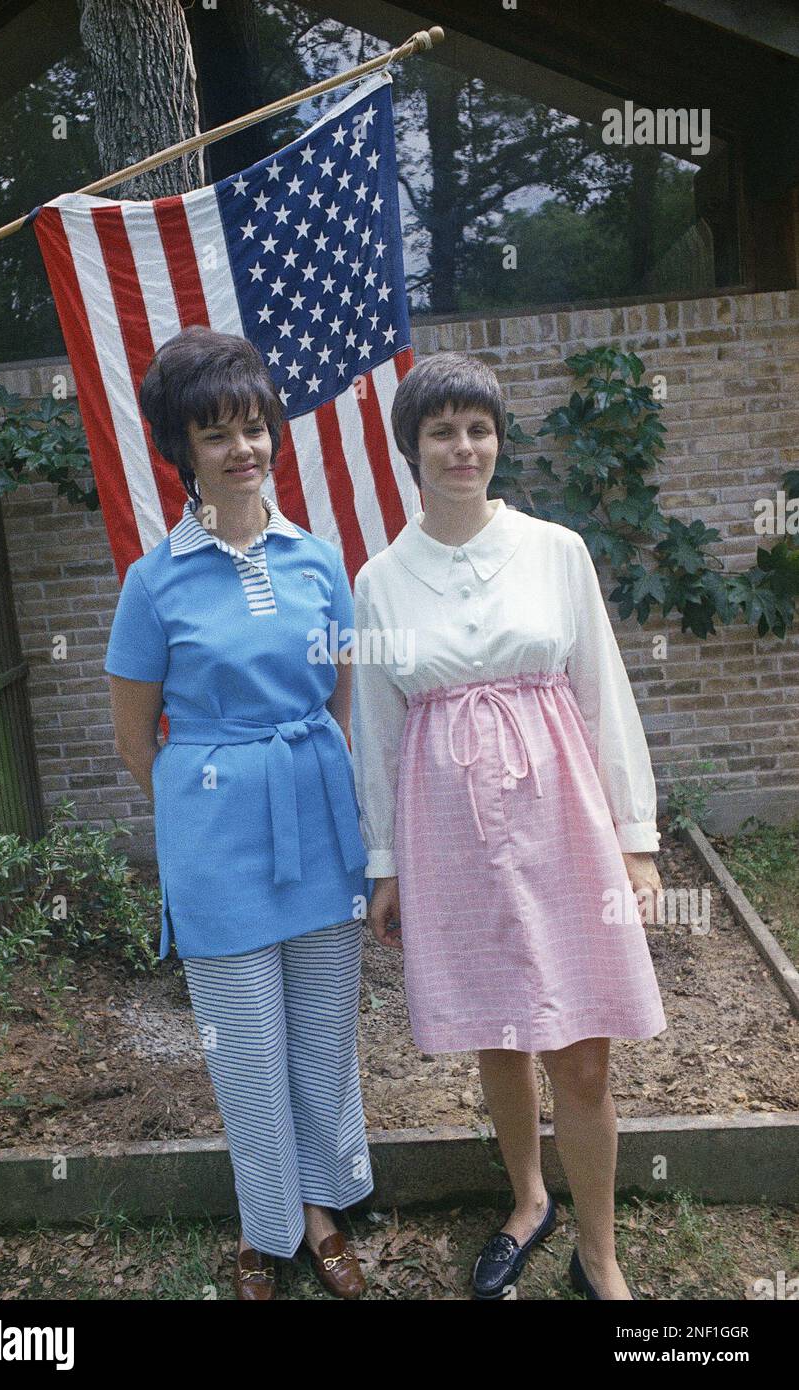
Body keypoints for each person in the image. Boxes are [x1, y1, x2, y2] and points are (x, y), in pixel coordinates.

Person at [350, 350, 667, 1301]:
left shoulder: (555, 550)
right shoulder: (380, 581)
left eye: (479, 427)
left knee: (582, 1046)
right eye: (442, 430)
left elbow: (603, 694)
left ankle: (598, 1254)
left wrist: (637, 842)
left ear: (498, 439)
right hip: (448, 823)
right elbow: (374, 727)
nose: (464, 446)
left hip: (562, 814)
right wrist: (386, 864)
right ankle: (528, 1199)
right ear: (412, 448)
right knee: (498, 1025)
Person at [104, 325, 372, 1301]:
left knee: (322, 1031)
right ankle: (266, 1226)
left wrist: (305, 778)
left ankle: (323, 1205)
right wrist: (209, 808)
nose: (244, 449)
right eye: (217, 434)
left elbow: (341, 701)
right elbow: (139, 741)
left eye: (255, 427)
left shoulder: (319, 560)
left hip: (319, 819)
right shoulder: (154, 581)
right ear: (183, 452)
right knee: (244, 1043)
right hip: (216, 839)